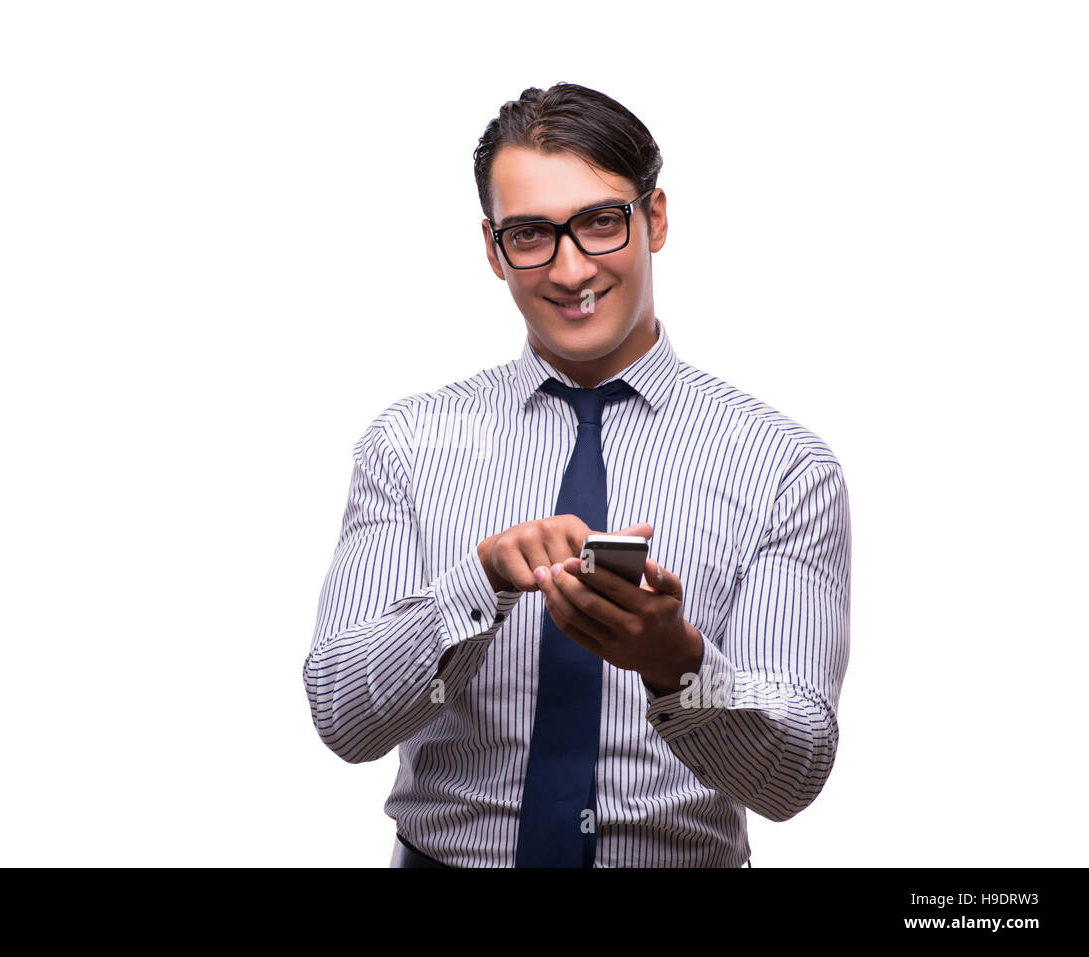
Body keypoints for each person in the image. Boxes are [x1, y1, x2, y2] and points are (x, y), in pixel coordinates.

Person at [303, 82, 851, 868]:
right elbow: (343, 716)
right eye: (530, 233)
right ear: (493, 250)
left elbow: (791, 777)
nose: (569, 269)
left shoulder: (783, 467)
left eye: (599, 222)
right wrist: (477, 584)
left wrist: (678, 664)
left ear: (654, 219)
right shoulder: (408, 444)